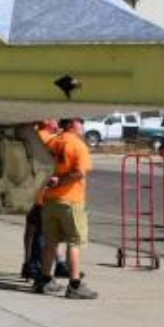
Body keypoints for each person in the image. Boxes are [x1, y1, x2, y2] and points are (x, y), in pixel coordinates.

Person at [31, 117, 98, 299]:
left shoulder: (52, 142)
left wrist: (52, 181)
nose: (83, 126)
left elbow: (39, 166)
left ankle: (44, 280)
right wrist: (61, 181)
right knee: (74, 242)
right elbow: (78, 173)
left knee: (51, 242)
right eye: (79, 122)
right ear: (71, 125)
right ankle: (74, 285)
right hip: (71, 201)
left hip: (50, 200)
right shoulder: (78, 145)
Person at [22, 119, 62, 279]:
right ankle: (37, 266)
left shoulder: (33, 136)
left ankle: (29, 263)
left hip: (32, 192)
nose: (57, 121)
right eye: (54, 119)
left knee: (32, 230)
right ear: (46, 121)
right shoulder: (49, 139)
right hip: (43, 195)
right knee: (43, 233)